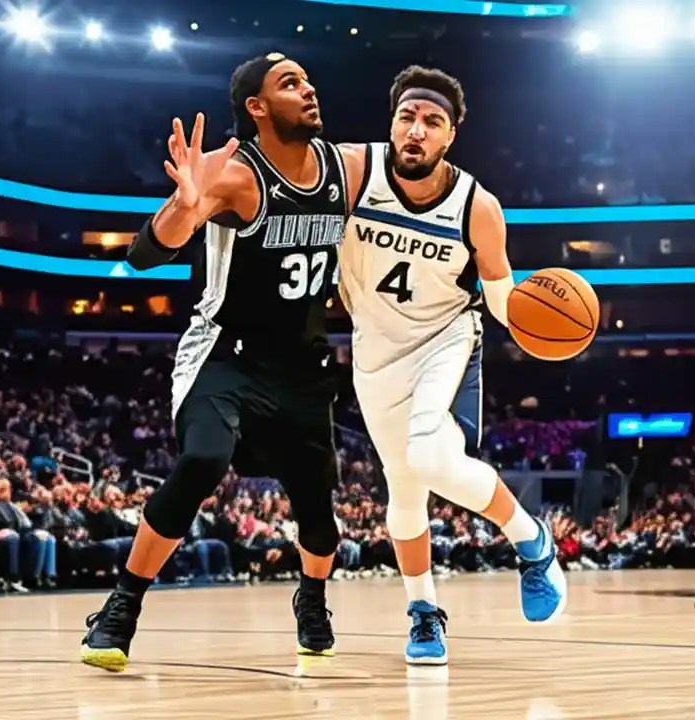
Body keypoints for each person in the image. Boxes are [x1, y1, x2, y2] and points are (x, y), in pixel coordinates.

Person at [80, 52, 369, 672]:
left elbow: (414, 173)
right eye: (290, 83)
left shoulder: (346, 167)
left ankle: (312, 599)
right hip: (225, 353)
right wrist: (185, 206)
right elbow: (144, 255)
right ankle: (121, 607)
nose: (309, 89)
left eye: (308, 78)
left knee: (319, 514)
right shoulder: (234, 174)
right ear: (257, 107)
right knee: (203, 460)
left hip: (303, 365)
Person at [337, 65, 566, 666]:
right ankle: (423, 612)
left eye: (432, 121)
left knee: (429, 456)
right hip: (374, 352)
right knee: (403, 492)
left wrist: (536, 322)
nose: (416, 130)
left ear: (450, 135)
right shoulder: (353, 171)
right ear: (392, 123)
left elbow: (500, 297)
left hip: (446, 341)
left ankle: (530, 539)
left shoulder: (477, 206)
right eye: (407, 117)